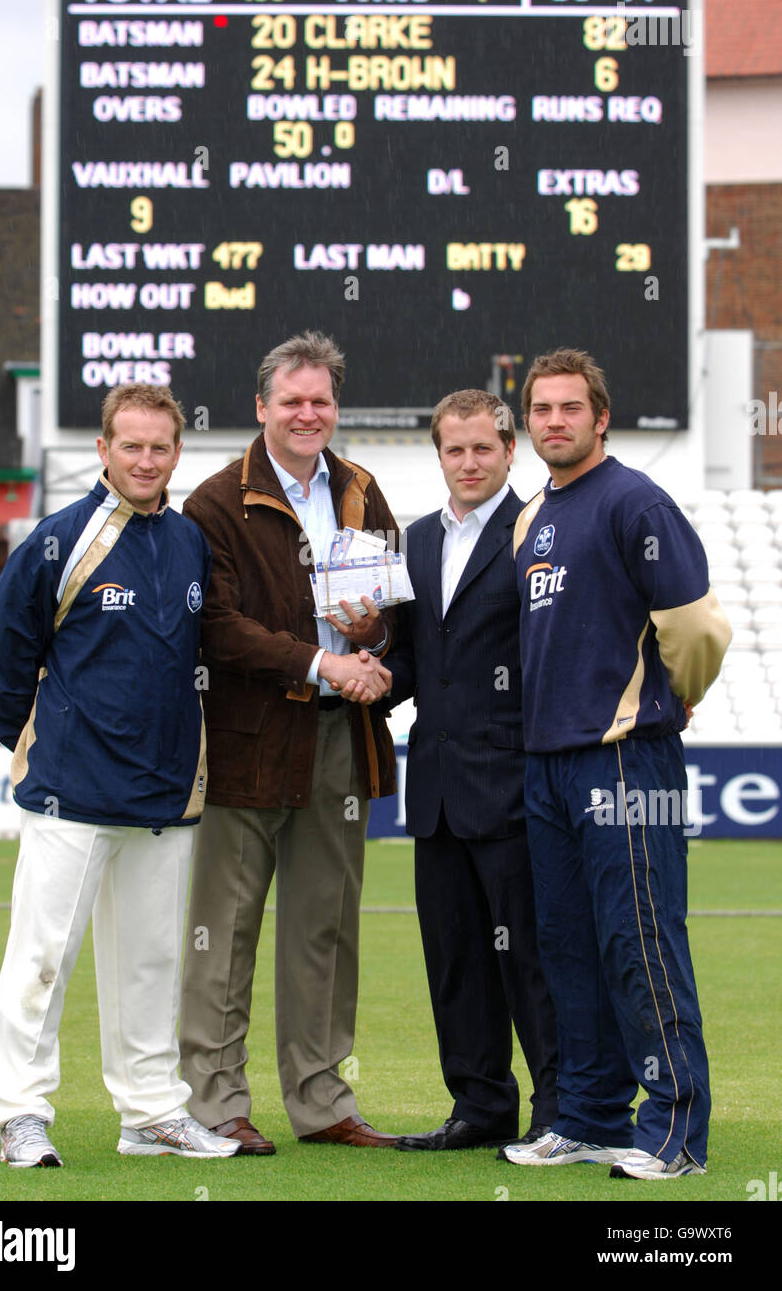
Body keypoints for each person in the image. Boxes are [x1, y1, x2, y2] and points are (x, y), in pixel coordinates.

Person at [0, 384, 240, 1166]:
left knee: (154, 964)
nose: (146, 460)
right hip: (71, 792)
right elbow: (3, 657)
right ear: (104, 449)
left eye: (160, 447)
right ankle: (20, 1114)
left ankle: (151, 1113)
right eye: (131, 445)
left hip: (165, 795)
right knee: (41, 961)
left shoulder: (191, 540)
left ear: (176, 453)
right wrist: (36, 745)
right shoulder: (61, 539)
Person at [502, 349, 731, 1180]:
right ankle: (591, 1116)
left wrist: (673, 696)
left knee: (640, 942)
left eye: (571, 408)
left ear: (602, 417)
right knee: (567, 946)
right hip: (549, 765)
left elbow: (698, 628)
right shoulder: (532, 517)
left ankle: (675, 1133)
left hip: (627, 762)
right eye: (541, 409)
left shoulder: (636, 499)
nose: (554, 421)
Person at [179, 330, 400, 1152]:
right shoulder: (213, 502)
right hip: (246, 740)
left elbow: (386, 606)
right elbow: (218, 628)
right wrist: (320, 662)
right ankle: (214, 1103)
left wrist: (371, 638)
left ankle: (320, 1099)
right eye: (293, 400)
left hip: (341, 741)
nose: (308, 413)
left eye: (321, 401)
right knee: (224, 929)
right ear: (261, 407)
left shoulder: (363, 490)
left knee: (324, 925)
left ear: (334, 408)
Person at [381, 390, 558, 1152]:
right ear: (439, 453)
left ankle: (562, 1113)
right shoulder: (417, 542)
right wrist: (365, 665)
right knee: (454, 960)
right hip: (437, 793)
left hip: (514, 787)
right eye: (455, 449)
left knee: (531, 963)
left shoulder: (539, 532)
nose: (469, 462)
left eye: (483, 448)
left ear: (510, 451)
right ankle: (479, 1106)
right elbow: (416, 667)